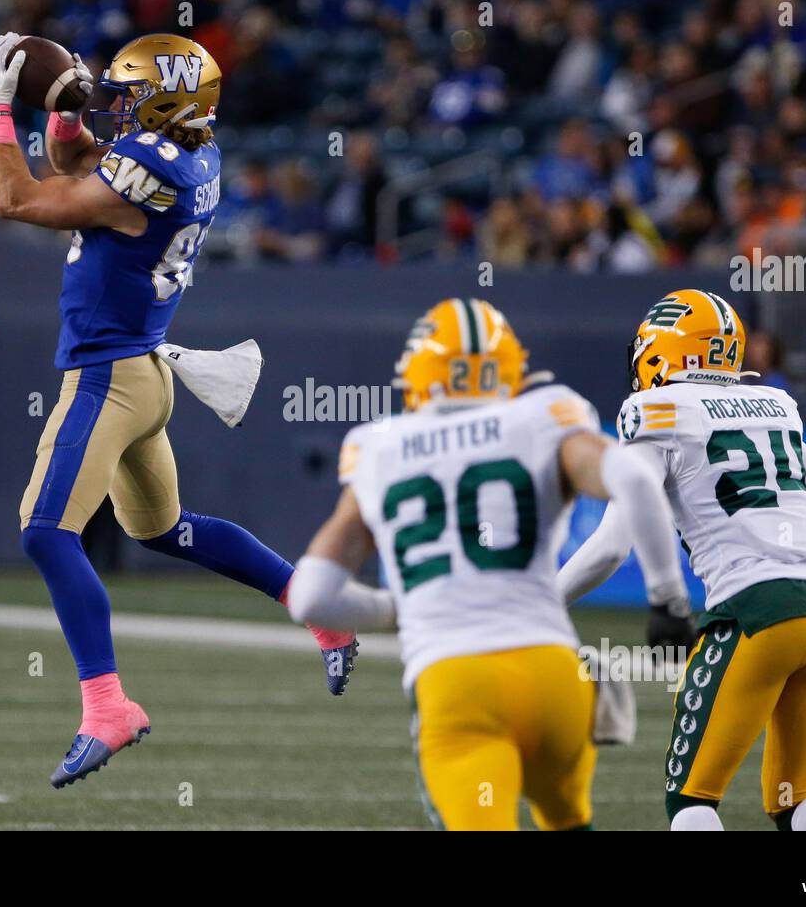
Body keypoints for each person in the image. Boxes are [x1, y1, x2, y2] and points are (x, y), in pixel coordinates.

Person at [0, 32, 355, 788]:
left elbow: (17, 197)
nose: (116, 107)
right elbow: (85, 170)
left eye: (128, 96)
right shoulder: (190, 154)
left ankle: (106, 705)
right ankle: (320, 610)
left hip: (107, 378)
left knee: (46, 534)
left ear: (164, 103)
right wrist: (60, 116)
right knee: (167, 530)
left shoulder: (150, 165)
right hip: (144, 372)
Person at [286, 298, 694, 831]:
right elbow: (636, 482)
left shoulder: (378, 446)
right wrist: (669, 600)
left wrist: (399, 609)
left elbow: (310, 596)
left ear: (419, 372)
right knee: (570, 821)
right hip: (553, 673)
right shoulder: (545, 415)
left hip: (455, 680)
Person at [556, 290, 806, 831]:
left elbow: (613, 544)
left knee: (692, 801)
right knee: (799, 799)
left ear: (662, 350)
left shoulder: (657, 411)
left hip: (756, 613)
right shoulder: (775, 407)